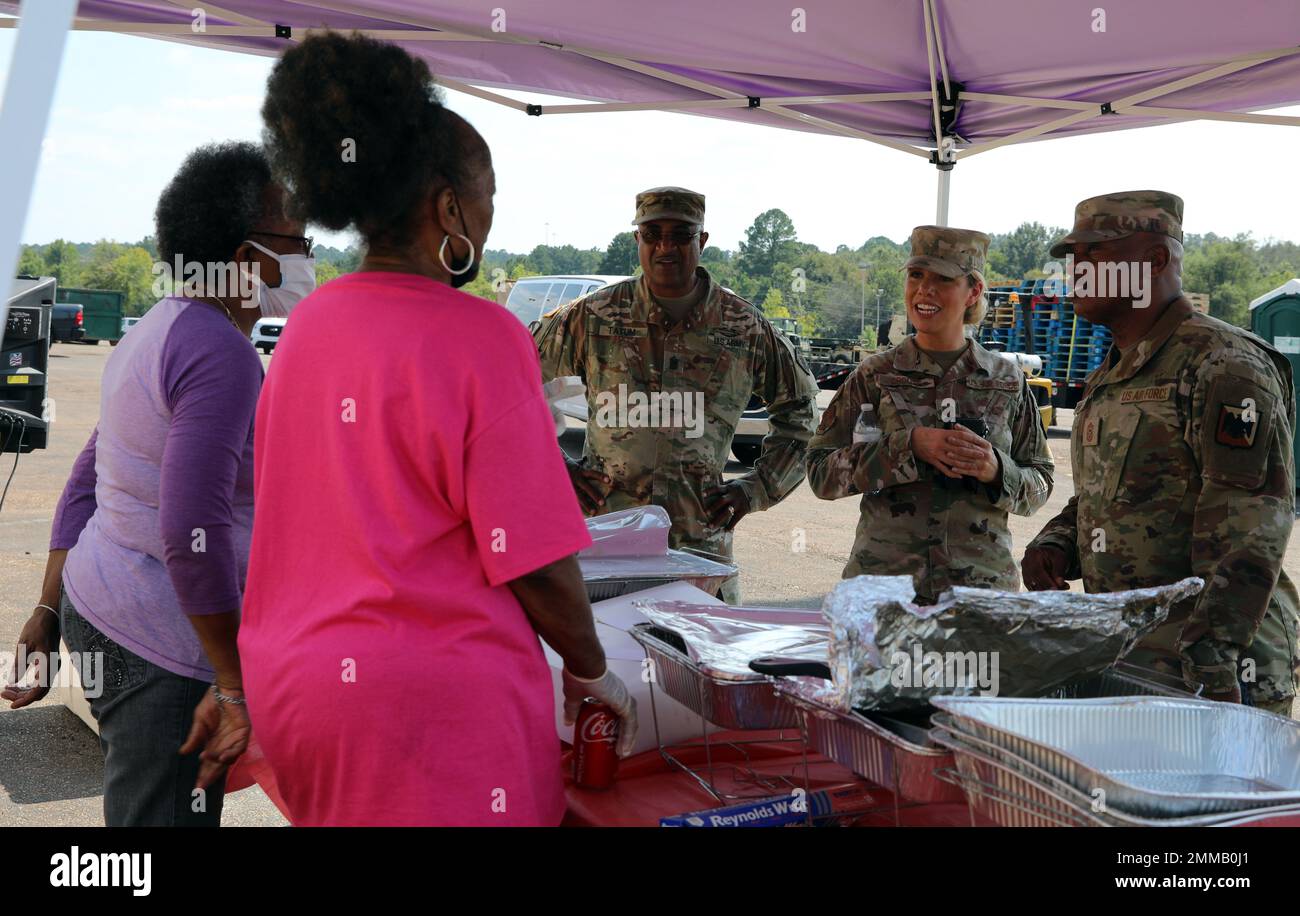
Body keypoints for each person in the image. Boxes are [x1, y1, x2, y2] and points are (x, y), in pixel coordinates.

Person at [239, 32, 635, 827]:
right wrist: (592, 670)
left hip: (299, 694)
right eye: (489, 191)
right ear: (449, 207)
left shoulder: (308, 325)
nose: (493, 211)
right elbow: (535, 562)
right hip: (430, 708)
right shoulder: (482, 337)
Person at [2, 141, 314, 825]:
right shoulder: (223, 354)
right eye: (298, 240)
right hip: (161, 650)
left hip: (100, 608)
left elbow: (88, 477)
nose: (310, 258)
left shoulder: (159, 330)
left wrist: (48, 609)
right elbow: (189, 531)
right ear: (245, 260)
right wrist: (231, 683)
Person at [1024, 191, 1298, 715]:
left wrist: (1210, 662)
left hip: (1212, 671)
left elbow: (1249, 528)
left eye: (1094, 255)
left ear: (1154, 259)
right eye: (1073, 257)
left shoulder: (1223, 364)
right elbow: (1109, 494)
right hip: (1136, 655)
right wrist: (1058, 542)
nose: (1076, 270)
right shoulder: (1114, 370)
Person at [532, 187, 819, 602]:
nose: (665, 246)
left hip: (699, 555)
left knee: (699, 661)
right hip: (604, 546)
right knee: (603, 659)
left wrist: (753, 489)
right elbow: (506, 386)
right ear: (638, 241)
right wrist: (558, 469)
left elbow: (801, 412)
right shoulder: (592, 316)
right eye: (652, 234)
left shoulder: (742, 326)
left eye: (681, 235)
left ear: (701, 241)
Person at [805, 226, 1054, 604]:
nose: (924, 290)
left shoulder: (1007, 382)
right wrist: (908, 447)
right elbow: (821, 475)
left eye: (943, 279)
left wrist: (996, 469)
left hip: (979, 596)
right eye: (916, 276)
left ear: (973, 291)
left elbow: (1040, 484)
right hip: (884, 593)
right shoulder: (874, 376)